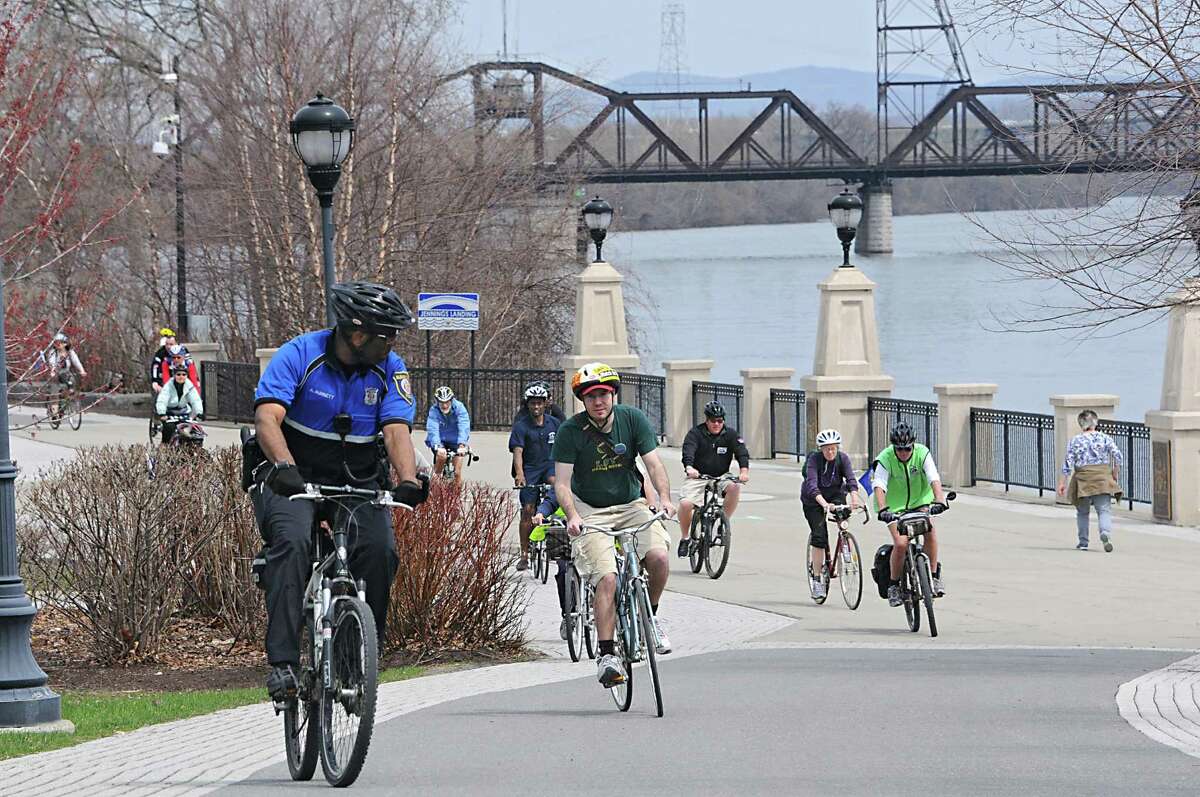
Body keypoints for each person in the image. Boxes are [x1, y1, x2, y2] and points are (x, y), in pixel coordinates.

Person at [252, 281, 429, 705]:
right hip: (291, 475)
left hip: (357, 477)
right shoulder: (299, 354)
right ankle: (284, 665)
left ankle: (358, 659)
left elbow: (395, 429)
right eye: (385, 334)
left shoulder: (390, 367)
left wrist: (406, 479)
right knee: (292, 544)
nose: (392, 343)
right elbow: (267, 419)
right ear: (356, 332)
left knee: (380, 550)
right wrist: (284, 467)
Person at [552, 362, 676, 688]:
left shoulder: (631, 419)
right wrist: (573, 516)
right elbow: (562, 483)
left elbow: (653, 463)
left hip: (631, 503)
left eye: (604, 394)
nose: (598, 401)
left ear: (613, 394)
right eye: (591, 396)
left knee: (660, 558)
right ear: (583, 400)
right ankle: (607, 656)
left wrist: (664, 498)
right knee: (606, 578)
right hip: (590, 509)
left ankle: (651, 617)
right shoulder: (570, 432)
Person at [872, 422, 949, 607]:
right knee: (900, 543)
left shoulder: (922, 453)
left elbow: (933, 477)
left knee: (930, 533)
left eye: (907, 449)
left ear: (913, 445)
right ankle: (893, 585)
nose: (904, 453)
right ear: (894, 447)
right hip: (894, 507)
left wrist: (939, 500)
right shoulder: (885, 458)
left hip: (920, 502)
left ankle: (933, 576)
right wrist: (883, 510)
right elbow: (879, 485)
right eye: (900, 449)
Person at [676, 401, 749, 557]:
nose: (716, 424)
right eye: (713, 421)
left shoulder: (730, 434)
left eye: (720, 421)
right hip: (699, 476)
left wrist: (744, 471)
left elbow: (741, 452)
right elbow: (688, 451)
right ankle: (685, 537)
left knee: (735, 487)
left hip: (721, 476)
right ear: (706, 420)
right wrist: (689, 468)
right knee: (685, 503)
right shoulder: (695, 434)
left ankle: (723, 523)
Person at [801, 428, 860, 599]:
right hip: (814, 500)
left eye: (833, 448)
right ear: (821, 449)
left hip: (835, 494)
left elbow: (850, 480)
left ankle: (845, 547)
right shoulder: (814, 460)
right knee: (819, 536)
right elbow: (811, 485)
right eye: (827, 448)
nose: (830, 451)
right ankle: (818, 578)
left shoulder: (843, 459)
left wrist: (854, 498)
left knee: (843, 517)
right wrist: (824, 504)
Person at [510, 382, 561, 571]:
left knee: (557, 486)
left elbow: (566, 447)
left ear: (546, 403)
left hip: (550, 465)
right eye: (533, 403)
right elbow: (518, 452)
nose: (536, 407)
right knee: (528, 509)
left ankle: (554, 534)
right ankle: (524, 554)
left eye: (540, 403)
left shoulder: (555, 424)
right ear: (528, 404)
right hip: (530, 468)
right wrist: (520, 474)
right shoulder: (521, 426)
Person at [1057, 410, 1123, 552]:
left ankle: (1083, 542)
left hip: (1083, 479)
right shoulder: (1105, 438)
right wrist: (1115, 472)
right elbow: (1118, 455)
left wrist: (1062, 483)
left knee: (1082, 512)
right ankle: (1105, 533)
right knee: (1104, 510)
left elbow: (1068, 464)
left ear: (1081, 424)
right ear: (1096, 422)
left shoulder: (1075, 440)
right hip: (1102, 477)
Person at [425, 385, 471, 483]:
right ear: (437, 402)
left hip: (456, 441)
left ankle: (456, 498)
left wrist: (462, 444)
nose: (445, 405)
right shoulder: (434, 410)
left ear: (451, 400)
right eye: (442, 403)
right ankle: (435, 483)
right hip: (440, 441)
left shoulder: (459, 407)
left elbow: (464, 425)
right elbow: (433, 428)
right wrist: (438, 445)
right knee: (441, 459)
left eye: (447, 402)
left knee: (457, 473)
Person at [155, 363, 204, 444]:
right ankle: (165, 448)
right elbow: (162, 399)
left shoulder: (189, 385)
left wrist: (199, 412)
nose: (181, 377)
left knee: (193, 429)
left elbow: (195, 399)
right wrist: (162, 413)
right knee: (169, 428)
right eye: (178, 374)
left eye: (184, 374)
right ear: (174, 375)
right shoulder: (168, 386)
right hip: (169, 412)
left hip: (183, 411)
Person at [41, 333, 87, 418]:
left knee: (71, 382)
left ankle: (65, 403)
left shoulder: (70, 352)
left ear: (65, 343)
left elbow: (76, 361)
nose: (58, 345)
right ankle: (54, 412)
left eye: (60, 343)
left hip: (65, 373)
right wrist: (52, 371)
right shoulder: (53, 352)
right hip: (55, 373)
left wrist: (82, 371)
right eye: (56, 343)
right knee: (54, 390)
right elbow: (52, 363)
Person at [149, 327, 176, 394]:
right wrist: (155, 381)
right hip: (163, 382)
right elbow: (155, 366)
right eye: (167, 344)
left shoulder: (181, 352)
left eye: (171, 344)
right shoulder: (160, 353)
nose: (169, 347)